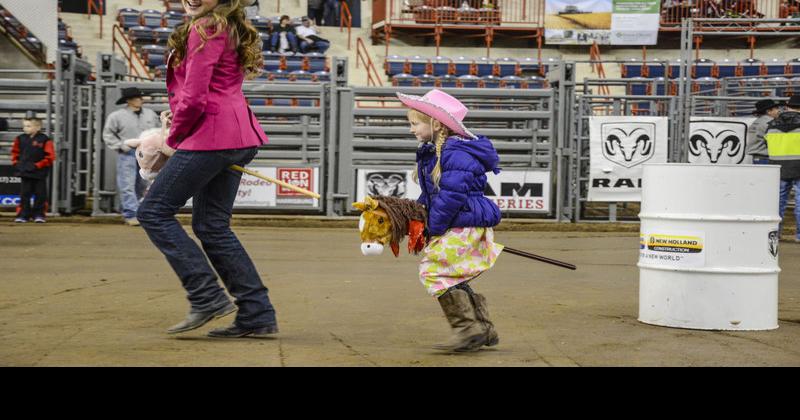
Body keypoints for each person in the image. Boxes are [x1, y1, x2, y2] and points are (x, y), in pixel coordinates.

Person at [137, 0, 279, 338]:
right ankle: (257, 314)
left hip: (212, 135)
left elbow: (196, 96)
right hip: (235, 134)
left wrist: (174, 136)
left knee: (153, 212)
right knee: (212, 226)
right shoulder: (223, 25)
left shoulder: (206, 27)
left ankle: (207, 296)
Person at [397, 89, 503, 352]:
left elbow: (452, 196)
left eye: (414, 123)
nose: (411, 130)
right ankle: (483, 328)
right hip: (460, 221)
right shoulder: (437, 152)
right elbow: (434, 194)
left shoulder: (455, 154)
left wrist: (433, 226)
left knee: (434, 271)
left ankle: (468, 330)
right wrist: (419, 212)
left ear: (435, 124)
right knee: (450, 275)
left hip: (463, 223)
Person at [102, 87, 160, 226]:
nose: (140, 100)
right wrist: (121, 145)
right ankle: (131, 213)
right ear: (128, 100)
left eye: (140, 97)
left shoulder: (150, 114)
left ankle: (131, 210)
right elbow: (107, 134)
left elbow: (158, 130)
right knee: (127, 184)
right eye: (137, 98)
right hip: (127, 153)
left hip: (146, 154)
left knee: (142, 185)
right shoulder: (117, 116)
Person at [765, 94, 800, 243]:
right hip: (799, 165)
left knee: (777, 201)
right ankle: (799, 235)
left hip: (777, 167)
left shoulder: (772, 124)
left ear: (787, 106)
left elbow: (767, 143)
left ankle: (775, 234)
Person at [11, 116, 55, 223]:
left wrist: (38, 165)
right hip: (25, 171)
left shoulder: (45, 139)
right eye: (24, 126)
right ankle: (23, 215)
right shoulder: (20, 138)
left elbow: (50, 156)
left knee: (40, 194)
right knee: (25, 194)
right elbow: (14, 153)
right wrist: (16, 164)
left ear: (38, 127)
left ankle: (39, 215)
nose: (25, 128)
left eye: (28, 126)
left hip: (39, 173)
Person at [746, 99, 783, 165]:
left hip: (757, 158)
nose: (779, 110)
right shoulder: (770, 123)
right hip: (766, 158)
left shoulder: (756, 122)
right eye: (776, 108)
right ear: (769, 111)